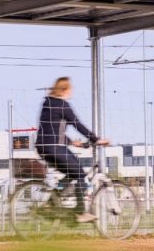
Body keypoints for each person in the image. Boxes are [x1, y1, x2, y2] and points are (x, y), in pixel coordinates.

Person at [36, 77, 109, 223]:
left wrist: (72, 142)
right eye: (70, 90)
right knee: (80, 173)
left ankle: (50, 204)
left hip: (42, 147)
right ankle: (80, 212)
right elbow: (77, 124)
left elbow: (52, 129)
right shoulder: (63, 105)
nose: (71, 92)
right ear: (64, 90)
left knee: (71, 172)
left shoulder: (47, 103)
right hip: (55, 148)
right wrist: (96, 140)